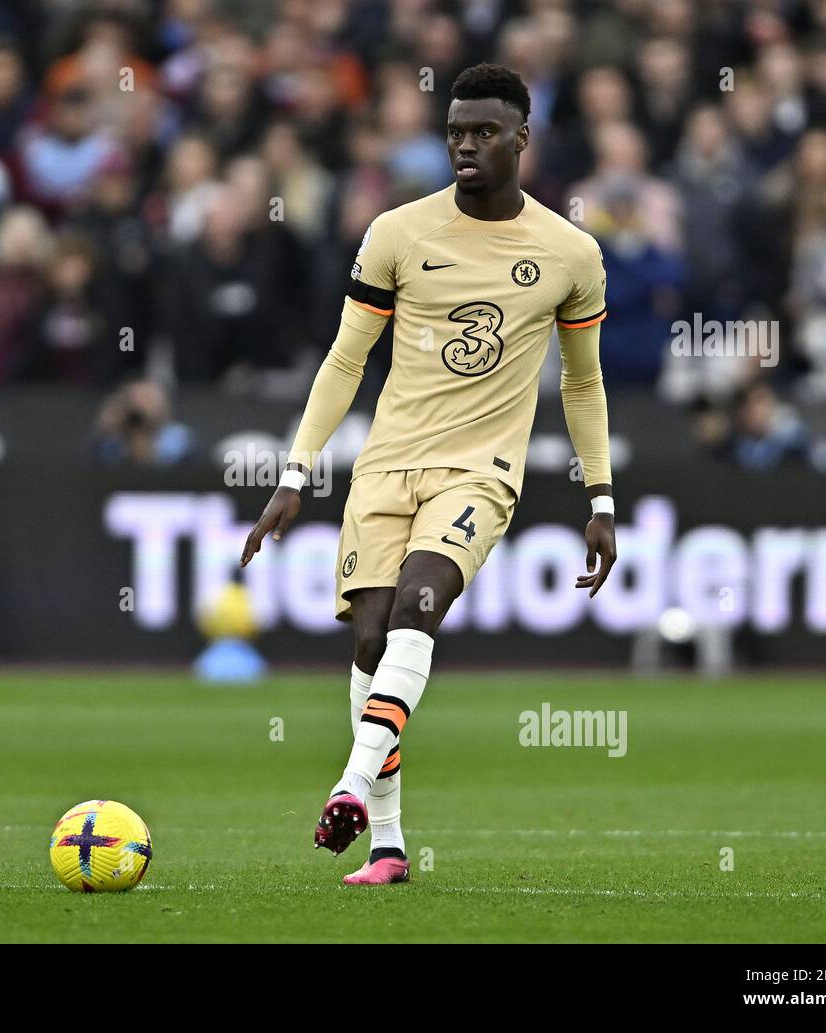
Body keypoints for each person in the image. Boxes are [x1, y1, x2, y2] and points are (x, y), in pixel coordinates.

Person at [240, 64, 617, 886]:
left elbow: (581, 381)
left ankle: (346, 783)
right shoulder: (397, 234)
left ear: (523, 139)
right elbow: (346, 358)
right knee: (371, 639)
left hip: (480, 472)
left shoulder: (569, 252)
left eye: (484, 132)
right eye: (455, 132)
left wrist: (601, 494)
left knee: (420, 603)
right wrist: (295, 473)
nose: (465, 147)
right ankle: (387, 845)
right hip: (385, 465)